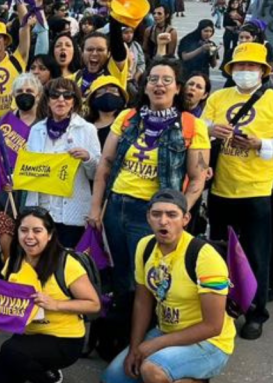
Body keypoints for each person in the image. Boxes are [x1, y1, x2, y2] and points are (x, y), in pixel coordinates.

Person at [101, 189, 236, 383]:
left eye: (172, 215)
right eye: (157, 214)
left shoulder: (205, 256)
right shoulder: (145, 246)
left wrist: (154, 345)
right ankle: (166, 371)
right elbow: (143, 301)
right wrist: (135, 347)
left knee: (152, 371)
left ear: (186, 219)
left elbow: (213, 326)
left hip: (209, 342)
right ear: (148, 217)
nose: (163, 221)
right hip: (167, 331)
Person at [89, 58, 210, 295]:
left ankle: (144, 330)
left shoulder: (192, 126)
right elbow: (105, 164)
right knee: (121, 275)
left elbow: (198, 178)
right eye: (153, 79)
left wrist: (179, 212)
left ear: (177, 88)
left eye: (167, 80)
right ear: (145, 86)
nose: (159, 85)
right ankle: (121, 326)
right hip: (116, 207)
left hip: (154, 214)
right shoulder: (127, 118)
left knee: (148, 280)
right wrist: (96, 207)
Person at [203, 43, 273, 340]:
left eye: (251, 67)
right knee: (219, 254)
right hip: (221, 189)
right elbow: (200, 128)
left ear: (263, 71)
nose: (245, 72)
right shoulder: (219, 96)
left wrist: (261, 144)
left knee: (255, 255)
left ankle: (256, 312)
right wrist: (212, 130)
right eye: (240, 66)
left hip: (257, 191)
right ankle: (223, 306)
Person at [0, 208, 101, 383]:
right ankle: (44, 368)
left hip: (65, 339)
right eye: (24, 230)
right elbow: (10, 300)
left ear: (49, 235)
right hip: (30, 336)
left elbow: (93, 304)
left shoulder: (67, 264)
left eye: (37, 231)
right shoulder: (14, 260)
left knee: (11, 349)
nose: (29, 237)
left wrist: (55, 304)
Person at [24, 78, 101, 248]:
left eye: (67, 95)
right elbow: (29, 169)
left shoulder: (87, 129)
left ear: (74, 102)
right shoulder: (36, 130)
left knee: (67, 263)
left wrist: (88, 158)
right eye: (55, 95)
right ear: (47, 100)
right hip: (40, 211)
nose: (61, 100)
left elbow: (96, 174)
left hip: (71, 212)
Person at [86, 76, 130, 148]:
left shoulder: (128, 123)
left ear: (121, 97)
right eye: (101, 91)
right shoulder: (84, 125)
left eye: (113, 90)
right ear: (93, 99)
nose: (107, 94)